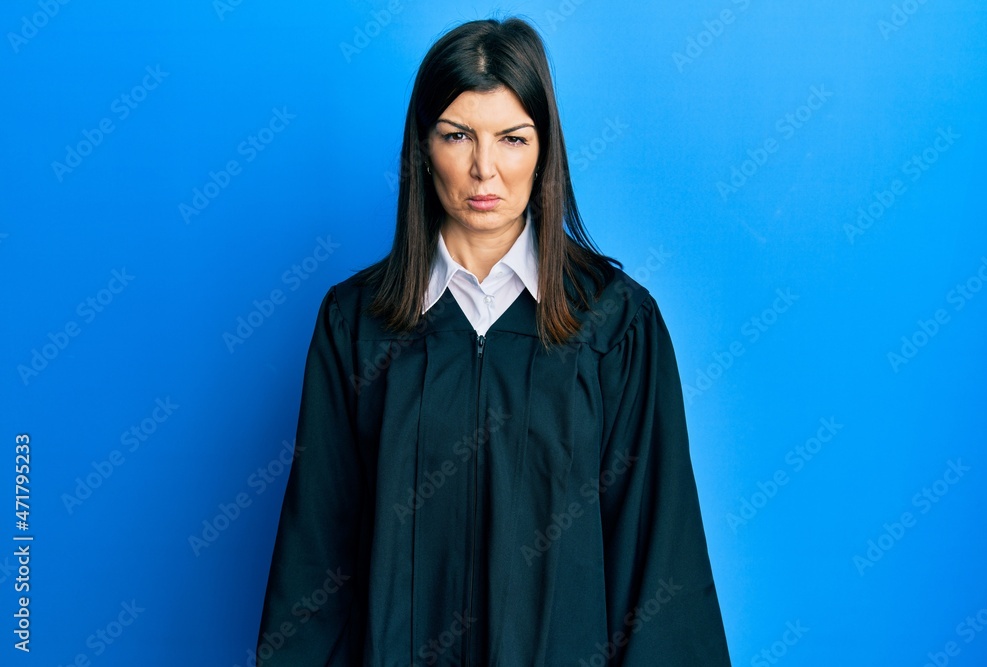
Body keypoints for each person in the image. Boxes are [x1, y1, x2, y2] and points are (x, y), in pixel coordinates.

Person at [256, 15, 731, 666]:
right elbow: (317, 556)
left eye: (512, 138)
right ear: (423, 147)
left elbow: (658, 562)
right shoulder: (356, 324)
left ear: (544, 150)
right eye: (457, 136)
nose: (485, 169)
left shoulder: (616, 326)